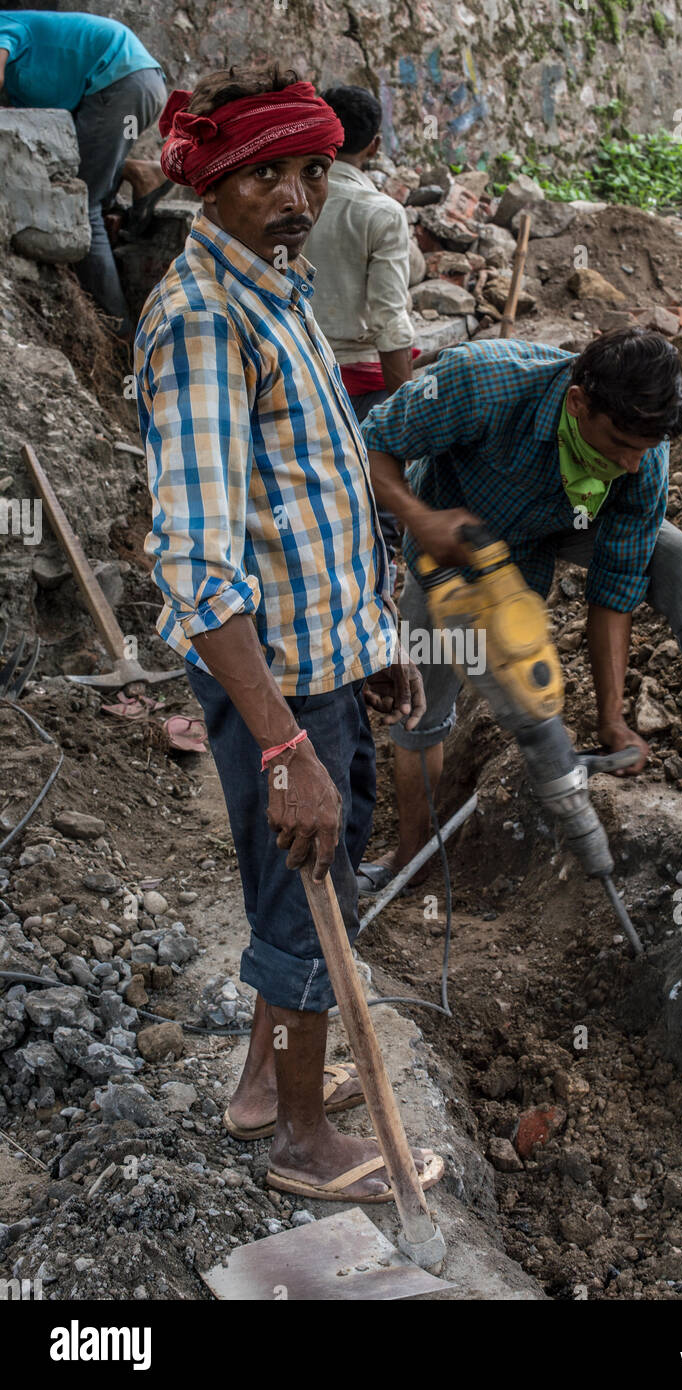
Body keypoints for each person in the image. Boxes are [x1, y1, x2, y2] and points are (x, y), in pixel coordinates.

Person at [135, 64, 443, 1203]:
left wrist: (375, 636)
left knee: (310, 878)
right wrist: (280, 746)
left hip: (324, 657)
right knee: (302, 899)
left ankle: (266, 1084)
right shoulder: (205, 326)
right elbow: (199, 572)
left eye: (310, 168)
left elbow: (317, 488)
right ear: (210, 180)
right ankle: (301, 1141)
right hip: (274, 686)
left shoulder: (280, 286)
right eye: (263, 172)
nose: (294, 192)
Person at [359, 328, 682, 892]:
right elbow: (366, 444)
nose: (634, 464)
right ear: (579, 402)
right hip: (460, 535)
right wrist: (419, 519)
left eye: (646, 449)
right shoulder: (481, 381)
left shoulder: (640, 456)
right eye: (622, 444)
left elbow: (615, 588)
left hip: (574, 519)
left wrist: (612, 717)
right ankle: (413, 859)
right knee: (422, 697)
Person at [303, 83, 415, 577]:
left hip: (294, 368)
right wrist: (408, 411)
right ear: (373, 145)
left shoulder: (285, 198)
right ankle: (378, 585)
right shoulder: (380, 213)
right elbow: (390, 319)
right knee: (377, 489)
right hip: (362, 379)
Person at [0, 9, 168, 333]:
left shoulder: (5, 23)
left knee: (81, 206)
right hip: (131, 83)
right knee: (88, 184)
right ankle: (137, 173)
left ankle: (119, 332)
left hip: (120, 82)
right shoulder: (30, 62)